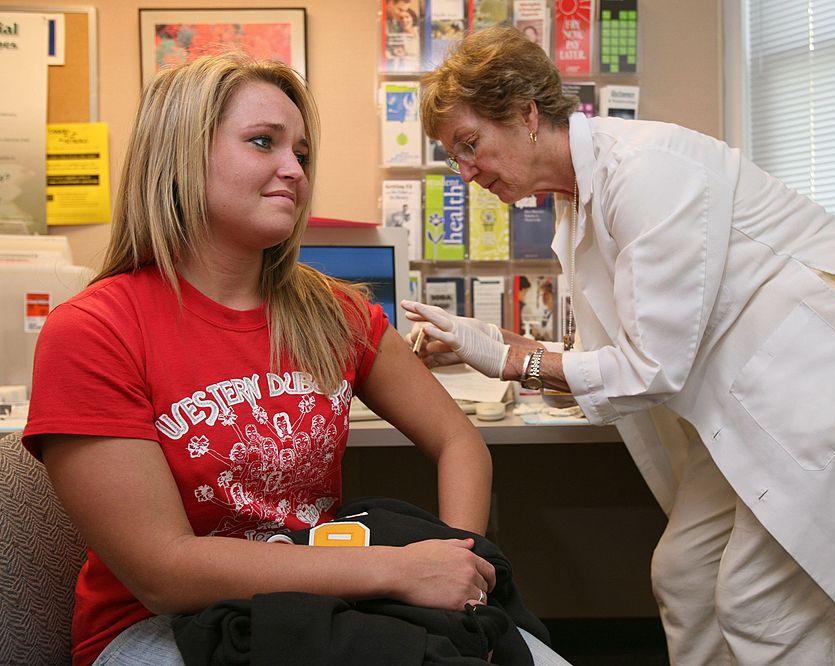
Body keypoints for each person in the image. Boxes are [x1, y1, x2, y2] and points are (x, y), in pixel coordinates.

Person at [402, 25, 835, 665]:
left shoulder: (646, 173)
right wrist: (483, 341)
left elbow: (650, 367)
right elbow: (622, 344)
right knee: (683, 573)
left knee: (755, 603)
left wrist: (511, 358)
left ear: (525, 113)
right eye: (454, 156)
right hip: (745, 399)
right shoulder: (577, 206)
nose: (465, 172)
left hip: (808, 385)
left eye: (469, 144)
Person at [22, 52, 565, 666]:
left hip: (318, 606)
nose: (294, 171)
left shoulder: (333, 312)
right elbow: (164, 572)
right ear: (178, 155)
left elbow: (458, 441)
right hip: (161, 626)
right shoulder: (94, 331)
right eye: (263, 143)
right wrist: (394, 570)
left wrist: (456, 567)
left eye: (301, 154)